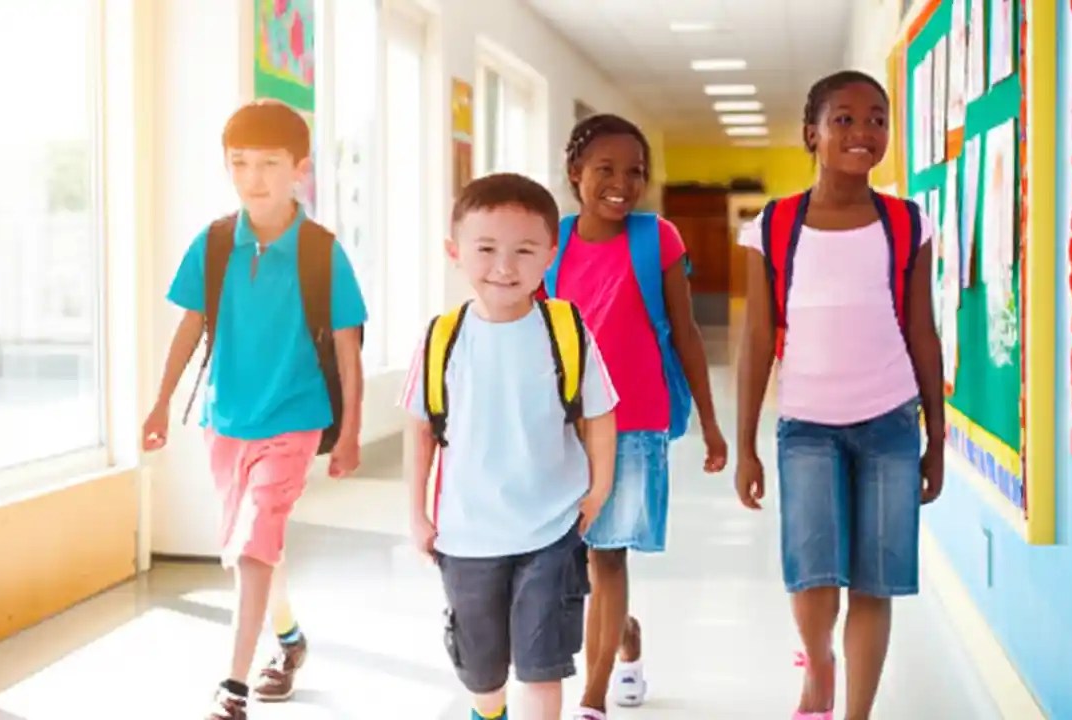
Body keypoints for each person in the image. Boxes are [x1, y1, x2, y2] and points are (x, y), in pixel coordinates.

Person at [141, 98, 367, 720]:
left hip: (295, 418)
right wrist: (161, 403)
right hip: (227, 420)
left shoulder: (322, 252)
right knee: (256, 544)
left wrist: (350, 433)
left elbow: (349, 352)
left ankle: (233, 684)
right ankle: (289, 639)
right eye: (240, 163)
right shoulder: (214, 244)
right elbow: (190, 327)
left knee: (252, 545)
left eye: (269, 164)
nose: (253, 178)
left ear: (300, 167)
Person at [733, 71, 945, 720]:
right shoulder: (774, 226)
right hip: (807, 424)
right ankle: (819, 660)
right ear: (812, 135)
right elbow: (757, 339)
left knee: (876, 581)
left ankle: (857, 713)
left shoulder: (908, 222)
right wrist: (743, 446)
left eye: (877, 119)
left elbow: (922, 330)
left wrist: (936, 439)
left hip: (889, 422)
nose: (863, 132)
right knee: (813, 573)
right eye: (844, 120)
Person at [401, 172, 619, 720]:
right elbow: (421, 430)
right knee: (482, 666)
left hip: (550, 527)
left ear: (550, 253)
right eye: (486, 249)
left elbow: (600, 413)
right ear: (455, 252)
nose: (504, 266)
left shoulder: (565, 329)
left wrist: (599, 489)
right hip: (467, 533)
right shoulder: (441, 338)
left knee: (543, 662)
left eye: (524, 250)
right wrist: (416, 515)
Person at [543, 113, 729, 719]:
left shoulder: (658, 238)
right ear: (576, 174)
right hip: (565, 425)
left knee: (609, 553)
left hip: (634, 422)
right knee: (572, 555)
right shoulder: (555, 243)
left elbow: (688, 334)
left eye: (635, 172)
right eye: (605, 170)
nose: (622, 183)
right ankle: (624, 634)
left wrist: (711, 422)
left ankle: (592, 697)